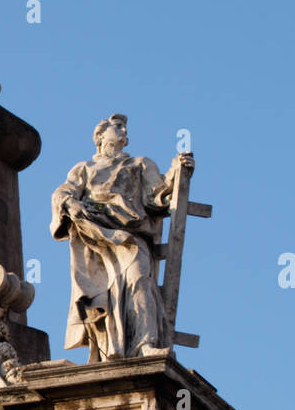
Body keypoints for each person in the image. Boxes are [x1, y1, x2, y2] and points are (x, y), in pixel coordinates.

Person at [50, 114, 191, 360]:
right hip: (94, 235)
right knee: (103, 292)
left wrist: (177, 172)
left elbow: (158, 196)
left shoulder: (140, 164)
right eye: (117, 127)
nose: (124, 130)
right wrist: (70, 203)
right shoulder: (84, 168)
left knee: (139, 280)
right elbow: (63, 191)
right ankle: (109, 347)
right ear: (100, 136)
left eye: (125, 127)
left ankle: (144, 344)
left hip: (130, 235)